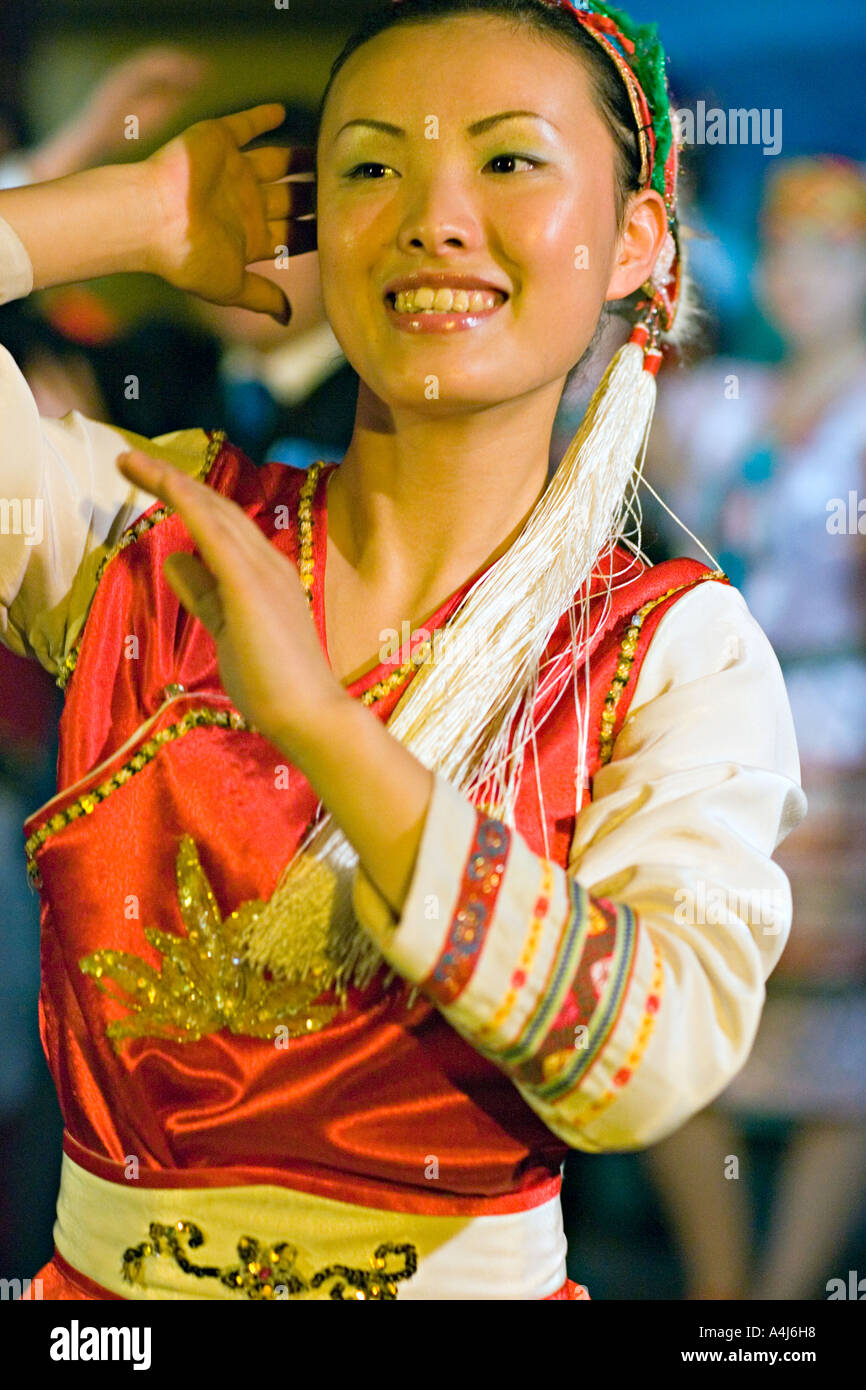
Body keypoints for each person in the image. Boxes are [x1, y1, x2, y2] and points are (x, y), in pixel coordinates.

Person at [1, 0, 806, 1302]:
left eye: (506, 160)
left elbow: (650, 1061)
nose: (432, 217)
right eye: (372, 166)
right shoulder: (143, 539)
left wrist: (323, 730)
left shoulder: (669, 646)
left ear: (634, 243)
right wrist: (127, 214)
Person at [645, 155, 866, 1300]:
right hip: (727, 723)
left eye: (826, 254)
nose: (795, 277)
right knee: (686, 1002)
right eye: (780, 250)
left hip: (837, 737)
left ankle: (776, 1300)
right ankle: (720, 1294)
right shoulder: (720, 399)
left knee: (835, 1037)